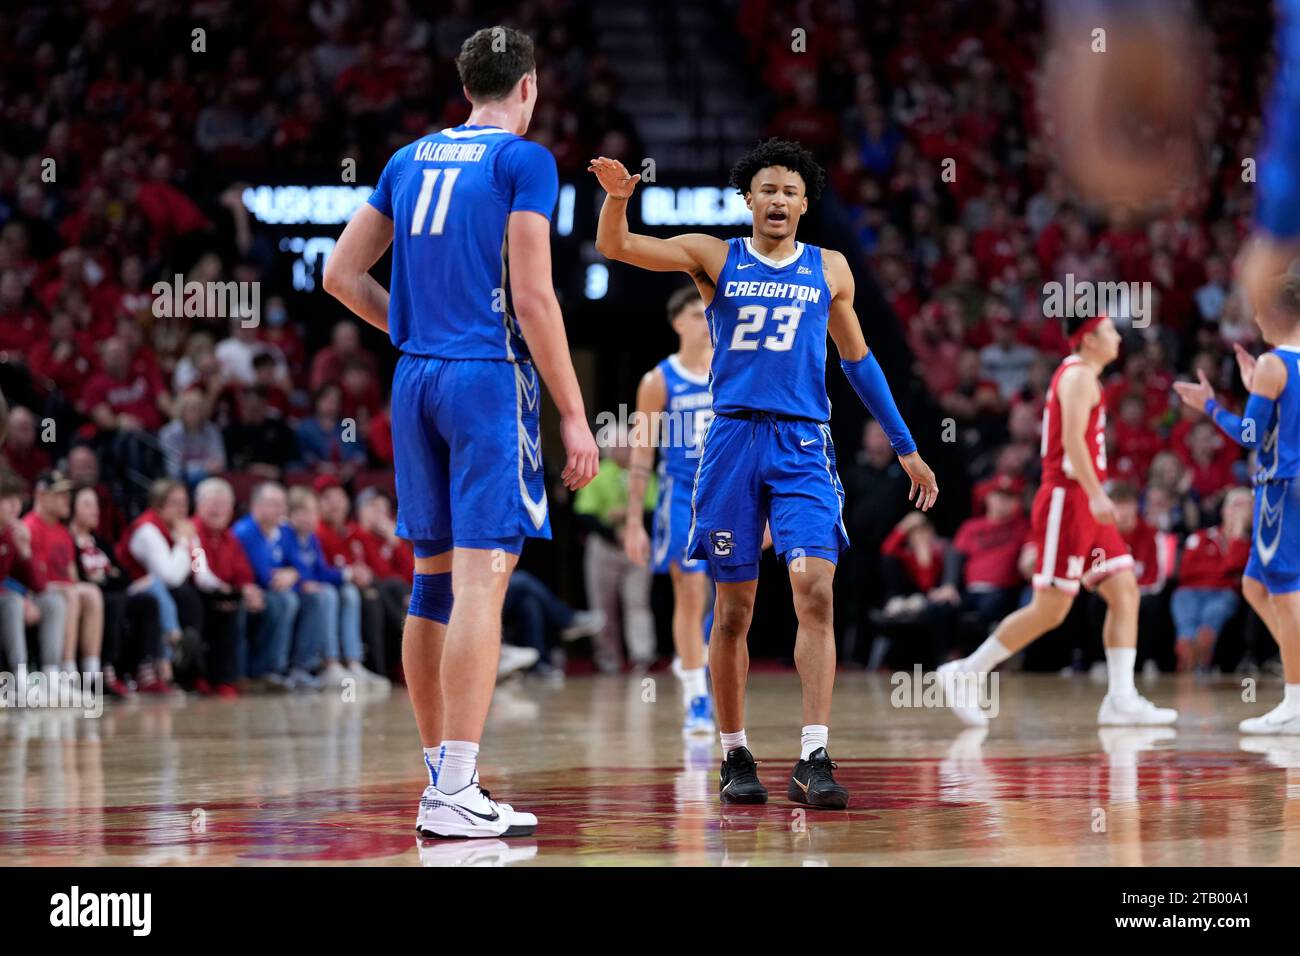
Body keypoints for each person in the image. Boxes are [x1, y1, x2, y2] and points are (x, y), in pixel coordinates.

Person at [591, 138, 938, 809]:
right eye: (768, 190)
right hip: (732, 442)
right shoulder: (713, 255)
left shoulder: (830, 268)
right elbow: (618, 246)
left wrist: (906, 445)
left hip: (802, 443)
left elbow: (859, 362)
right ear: (748, 200)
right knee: (733, 610)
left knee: (816, 591)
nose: (778, 200)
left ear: (805, 204)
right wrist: (616, 200)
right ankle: (734, 753)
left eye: (790, 191)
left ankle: (814, 756)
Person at [323, 24, 598, 838]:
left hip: (415, 380)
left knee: (432, 583)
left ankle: (442, 782)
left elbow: (339, 274)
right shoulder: (525, 161)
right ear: (528, 87)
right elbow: (535, 297)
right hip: (485, 377)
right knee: (484, 580)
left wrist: (414, 334)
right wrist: (574, 413)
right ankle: (454, 787)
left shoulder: (407, 159)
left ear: (465, 84)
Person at [940, 315, 1178, 727]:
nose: (1117, 338)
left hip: (1085, 498)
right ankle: (967, 672)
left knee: (1124, 589)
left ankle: (1121, 699)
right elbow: (1071, 443)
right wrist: (1098, 493)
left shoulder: (1086, 376)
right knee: (1051, 608)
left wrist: (1095, 494)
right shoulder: (1078, 376)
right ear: (1089, 339)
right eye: (1109, 331)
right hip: (1068, 501)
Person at [1174, 276, 1300, 732]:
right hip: (1293, 485)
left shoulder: (1273, 362)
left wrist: (1210, 406)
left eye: (1262, 308)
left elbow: (1248, 435)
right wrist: (1257, 390)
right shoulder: (1281, 367)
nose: (1257, 317)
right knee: (1253, 585)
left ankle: (1295, 702)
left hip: (1280, 489)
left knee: (1286, 596)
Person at [622, 285, 716, 734]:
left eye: (709, 314)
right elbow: (642, 454)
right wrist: (633, 521)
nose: (706, 323)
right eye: (697, 315)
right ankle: (697, 696)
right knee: (690, 589)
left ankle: (696, 655)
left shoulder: (732, 369)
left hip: (726, 493)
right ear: (677, 322)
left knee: (729, 595)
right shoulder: (658, 380)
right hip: (681, 493)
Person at [283, 486, 387, 691]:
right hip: (295, 592)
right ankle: (329, 663)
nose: (308, 518)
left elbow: (321, 571)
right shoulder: (286, 536)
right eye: (302, 512)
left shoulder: (311, 539)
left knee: (348, 591)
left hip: (311, 589)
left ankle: (353, 661)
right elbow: (295, 570)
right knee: (327, 595)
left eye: (312, 512)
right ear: (290, 514)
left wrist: (347, 573)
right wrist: (302, 581)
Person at [573, 440, 656, 673]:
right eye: (619, 446)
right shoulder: (597, 472)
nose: (625, 450)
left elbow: (654, 507)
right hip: (604, 547)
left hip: (636, 545)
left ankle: (642, 656)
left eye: (628, 445)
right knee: (603, 605)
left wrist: (628, 516)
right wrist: (613, 533)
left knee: (637, 602)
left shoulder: (642, 471)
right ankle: (608, 658)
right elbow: (584, 513)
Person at [68, 484, 152, 697]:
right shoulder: (68, 540)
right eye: (87, 504)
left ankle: (142, 669)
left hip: (111, 594)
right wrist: (108, 577)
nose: (95, 510)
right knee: (113, 601)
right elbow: (80, 578)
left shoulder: (101, 542)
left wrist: (103, 578)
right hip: (92, 598)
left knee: (146, 601)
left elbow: (124, 577)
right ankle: (106, 668)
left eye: (96, 504)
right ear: (72, 508)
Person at [117, 478, 201, 692]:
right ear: (159, 505)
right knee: (158, 589)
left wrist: (192, 541)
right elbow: (169, 576)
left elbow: (199, 569)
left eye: (185, 503)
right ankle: (174, 643)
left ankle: (187, 667)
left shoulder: (181, 530)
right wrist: (184, 542)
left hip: (160, 589)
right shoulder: (147, 530)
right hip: (129, 588)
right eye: (175, 503)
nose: (182, 509)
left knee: (191, 596)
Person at [232, 482, 316, 692]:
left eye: (283, 504)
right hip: (250, 593)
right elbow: (262, 576)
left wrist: (293, 574)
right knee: (286, 600)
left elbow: (305, 568)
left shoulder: (283, 532)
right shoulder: (245, 532)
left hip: (273, 593)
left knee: (319, 597)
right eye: (275, 504)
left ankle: (302, 667)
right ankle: (269, 669)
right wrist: (289, 576)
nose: (281, 509)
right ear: (257, 506)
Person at [24, 470, 104, 690]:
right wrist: (70, 588)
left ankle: (91, 674)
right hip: (35, 594)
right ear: (41, 496)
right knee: (71, 594)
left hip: (60, 591)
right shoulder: (30, 527)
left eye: (67, 494)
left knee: (92, 593)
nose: (66, 499)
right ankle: (67, 673)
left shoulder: (63, 532)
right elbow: (34, 578)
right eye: (59, 494)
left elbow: (72, 576)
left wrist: (75, 587)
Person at [192, 477, 263, 697]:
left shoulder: (230, 538)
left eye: (224, 505)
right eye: (213, 503)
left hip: (225, 593)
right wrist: (231, 591)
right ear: (199, 505)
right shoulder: (192, 532)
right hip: (198, 592)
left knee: (248, 603)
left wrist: (247, 589)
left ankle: (239, 676)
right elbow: (198, 570)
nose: (218, 510)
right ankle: (211, 676)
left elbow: (243, 571)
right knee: (222, 606)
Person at [1169, 487, 1253, 673]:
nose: (1239, 512)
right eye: (1235, 505)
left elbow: (1234, 566)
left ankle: (1200, 657)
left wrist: (1237, 536)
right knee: (1185, 615)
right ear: (1224, 510)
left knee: (1213, 612)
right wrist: (1222, 571)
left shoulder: (1251, 543)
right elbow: (1186, 570)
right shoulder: (1201, 536)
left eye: (1246, 506)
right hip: (1189, 591)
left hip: (1222, 593)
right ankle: (1188, 654)